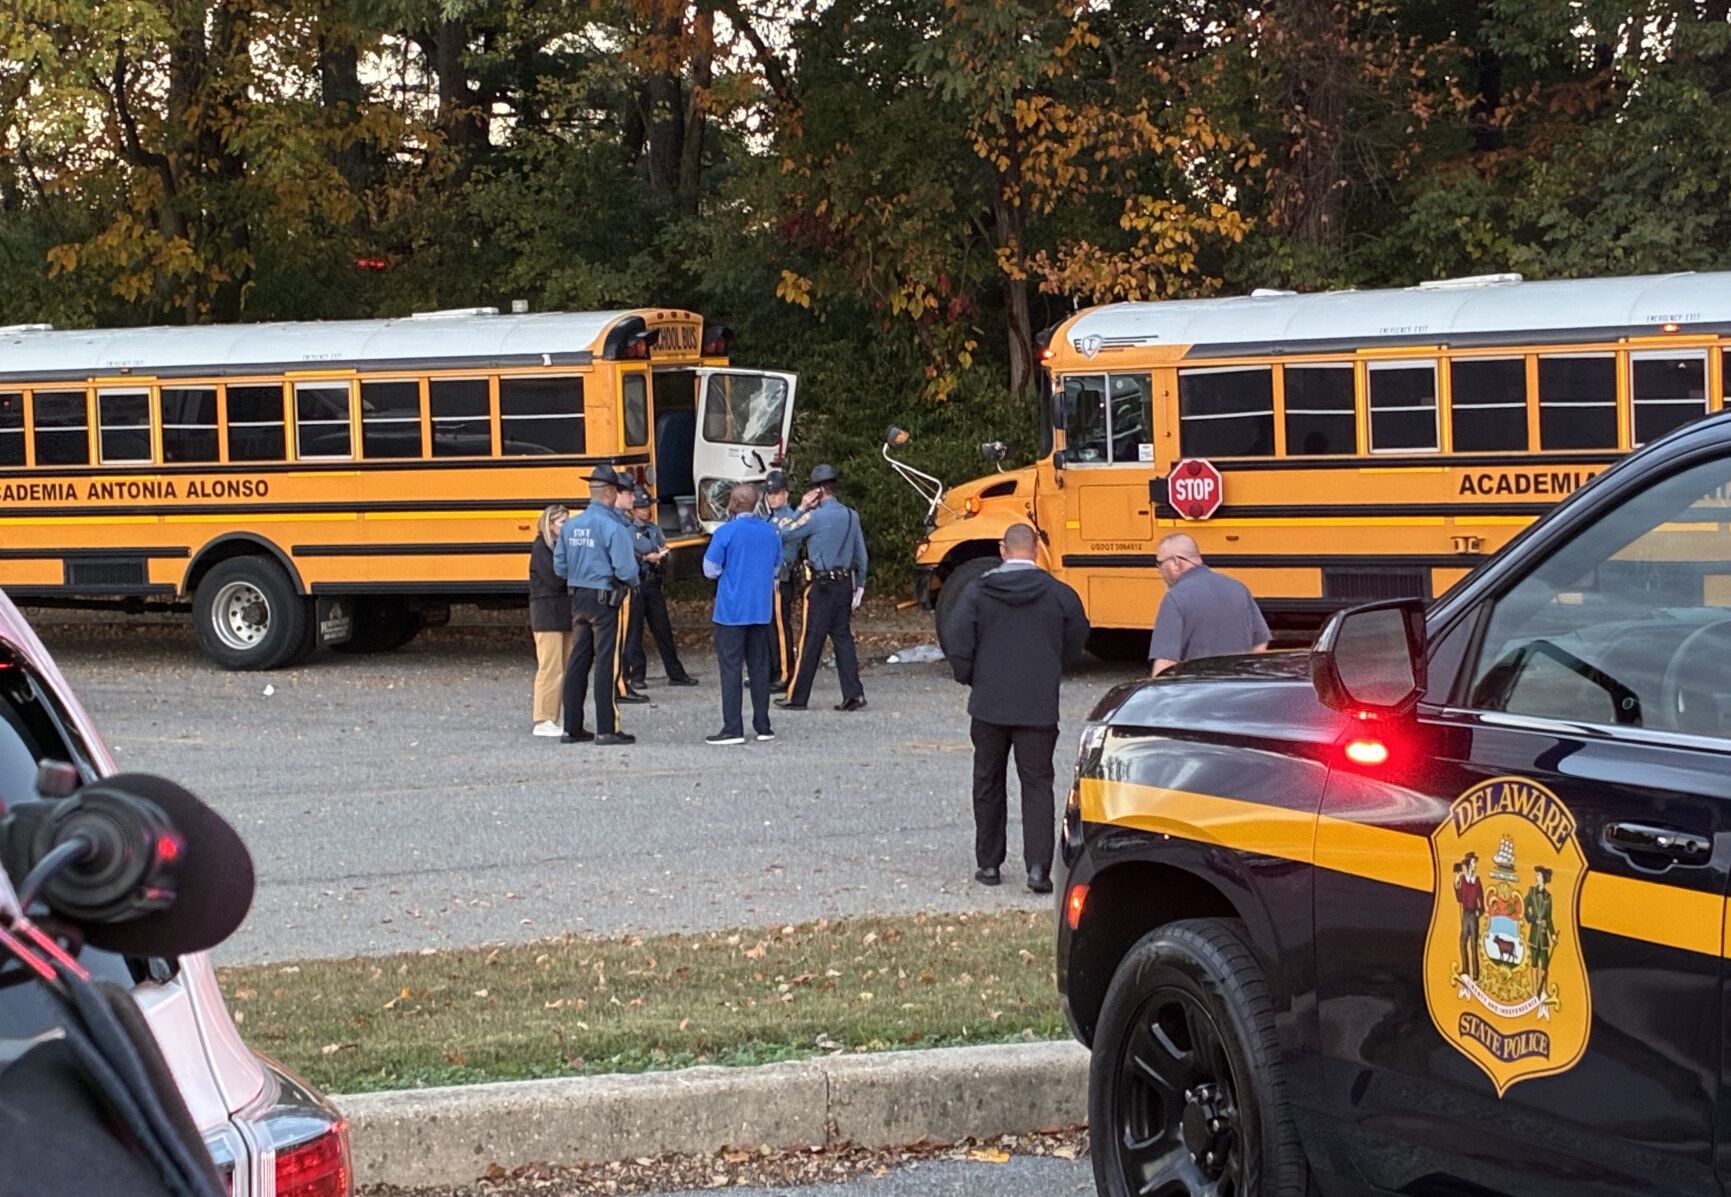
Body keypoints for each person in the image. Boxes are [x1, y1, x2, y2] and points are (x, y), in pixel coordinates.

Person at [943, 523, 1088, 892]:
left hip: (990, 703)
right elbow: (1077, 638)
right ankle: (1038, 868)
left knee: (988, 782)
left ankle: (989, 864)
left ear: (1003, 549)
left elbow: (957, 639)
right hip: (1038, 705)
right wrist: (1052, 667)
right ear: (1037, 549)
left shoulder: (978, 591)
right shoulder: (1060, 594)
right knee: (1038, 784)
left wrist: (972, 676)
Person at [553, 464, 641, 745]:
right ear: (612, 493)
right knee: (607, 662)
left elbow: (560, 566)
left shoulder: (572, 526)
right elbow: (626, 570)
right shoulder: (613, 527)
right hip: (605, 599)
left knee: (578, 661)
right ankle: (606, 727)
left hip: (578, 596)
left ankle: (572, 726)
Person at [775, 464, 868, 712]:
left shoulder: (814, 517)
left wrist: (801, 508)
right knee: (843, 639)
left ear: (817, 491)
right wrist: (859, 584)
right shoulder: (851, 515)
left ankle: (797, 696)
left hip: (821, 584)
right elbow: (861, 555)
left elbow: (782, 534)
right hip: (844, 584)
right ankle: (854, 693)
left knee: (810, 641)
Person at [702, 483, 782, 745]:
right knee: (759, 668)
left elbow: (710, 569)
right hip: (760, 609)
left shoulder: (725, 533)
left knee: (731, 669)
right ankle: (763, 725)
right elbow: (775, 568)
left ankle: (733, 728)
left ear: (734, 504)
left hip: (731, 611)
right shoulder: (771, 533)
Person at [1147, 532, 1270, 677]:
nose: (1159, 571)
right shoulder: (1238, 588)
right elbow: (1260, 642)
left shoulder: (1175, 598)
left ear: (1176, 562)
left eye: (1160, 564)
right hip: (1237, 690)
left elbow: (1166, 662)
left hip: (1198, 691)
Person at [623, 487, 697, 689]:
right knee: (634, 631)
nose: (645, 511)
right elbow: (630, 554)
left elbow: (661, 545)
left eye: (647, 507)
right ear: (633, 510)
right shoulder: (628, 531)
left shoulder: (654, 529)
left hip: (653, 581)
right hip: (638, 582)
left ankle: (675, 672)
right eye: (641, 507)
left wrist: (662, 554)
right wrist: (647, 557)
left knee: (662, 628)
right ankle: (636, 674)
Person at [528, 504, 571, 737]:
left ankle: (555, 715)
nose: (565, 526)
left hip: (563, 611)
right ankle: (543, 718)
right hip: (547, 613)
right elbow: (554, 580)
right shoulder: (541, 548)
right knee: (550, 668)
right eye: (562, 522)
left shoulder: (559, 547)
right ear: (550, 524)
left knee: (564, 667)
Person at [763, 470, 802, 687]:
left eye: (777, 493)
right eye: (770, 494)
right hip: (768, 580)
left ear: (786, 494)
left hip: (780, 578)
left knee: (779, 626)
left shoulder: (790, 518)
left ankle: (785, 673)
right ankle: (772, 669)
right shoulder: (769, 518)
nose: (773, 497)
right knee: (768, 627)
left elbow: (788, 553)